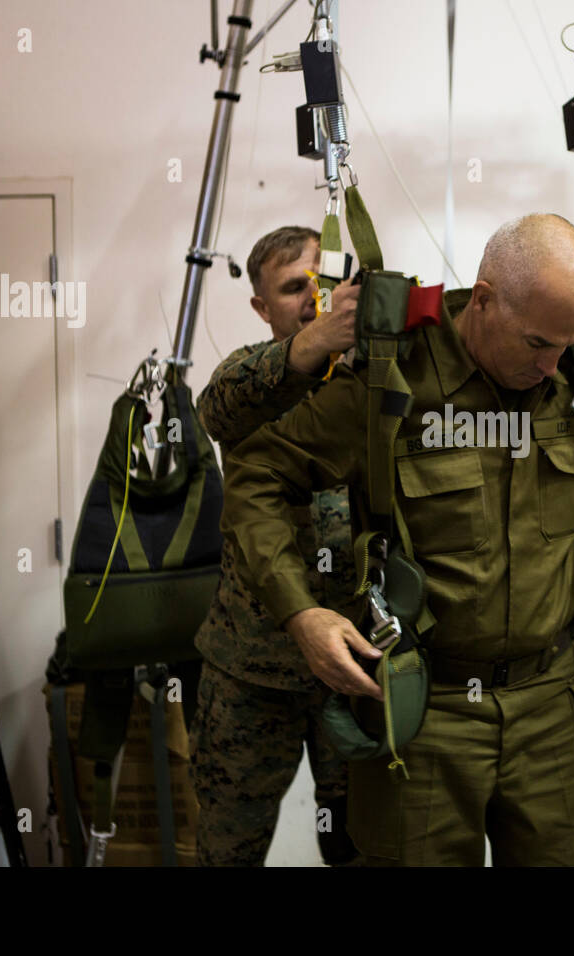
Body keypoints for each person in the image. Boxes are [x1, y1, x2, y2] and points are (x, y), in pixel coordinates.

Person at [223, 213, 574, 866]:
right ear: (484, 301)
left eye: (564, 345)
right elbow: (258, 474)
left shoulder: (566, 370)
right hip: (426, 711)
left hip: (550, 705)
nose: (551, 366)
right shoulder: (393, 379)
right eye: (537, 344)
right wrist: (300, 613)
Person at [188, 224, 363, 866]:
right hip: (253, 670)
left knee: (358, 845)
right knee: (229, 849)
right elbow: (216, 409)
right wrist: (318, 339)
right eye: (294, 288)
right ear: (262, 307)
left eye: (323, 279)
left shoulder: (373, 379)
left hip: (356, 660)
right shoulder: (250, 381)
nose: (312, 296)